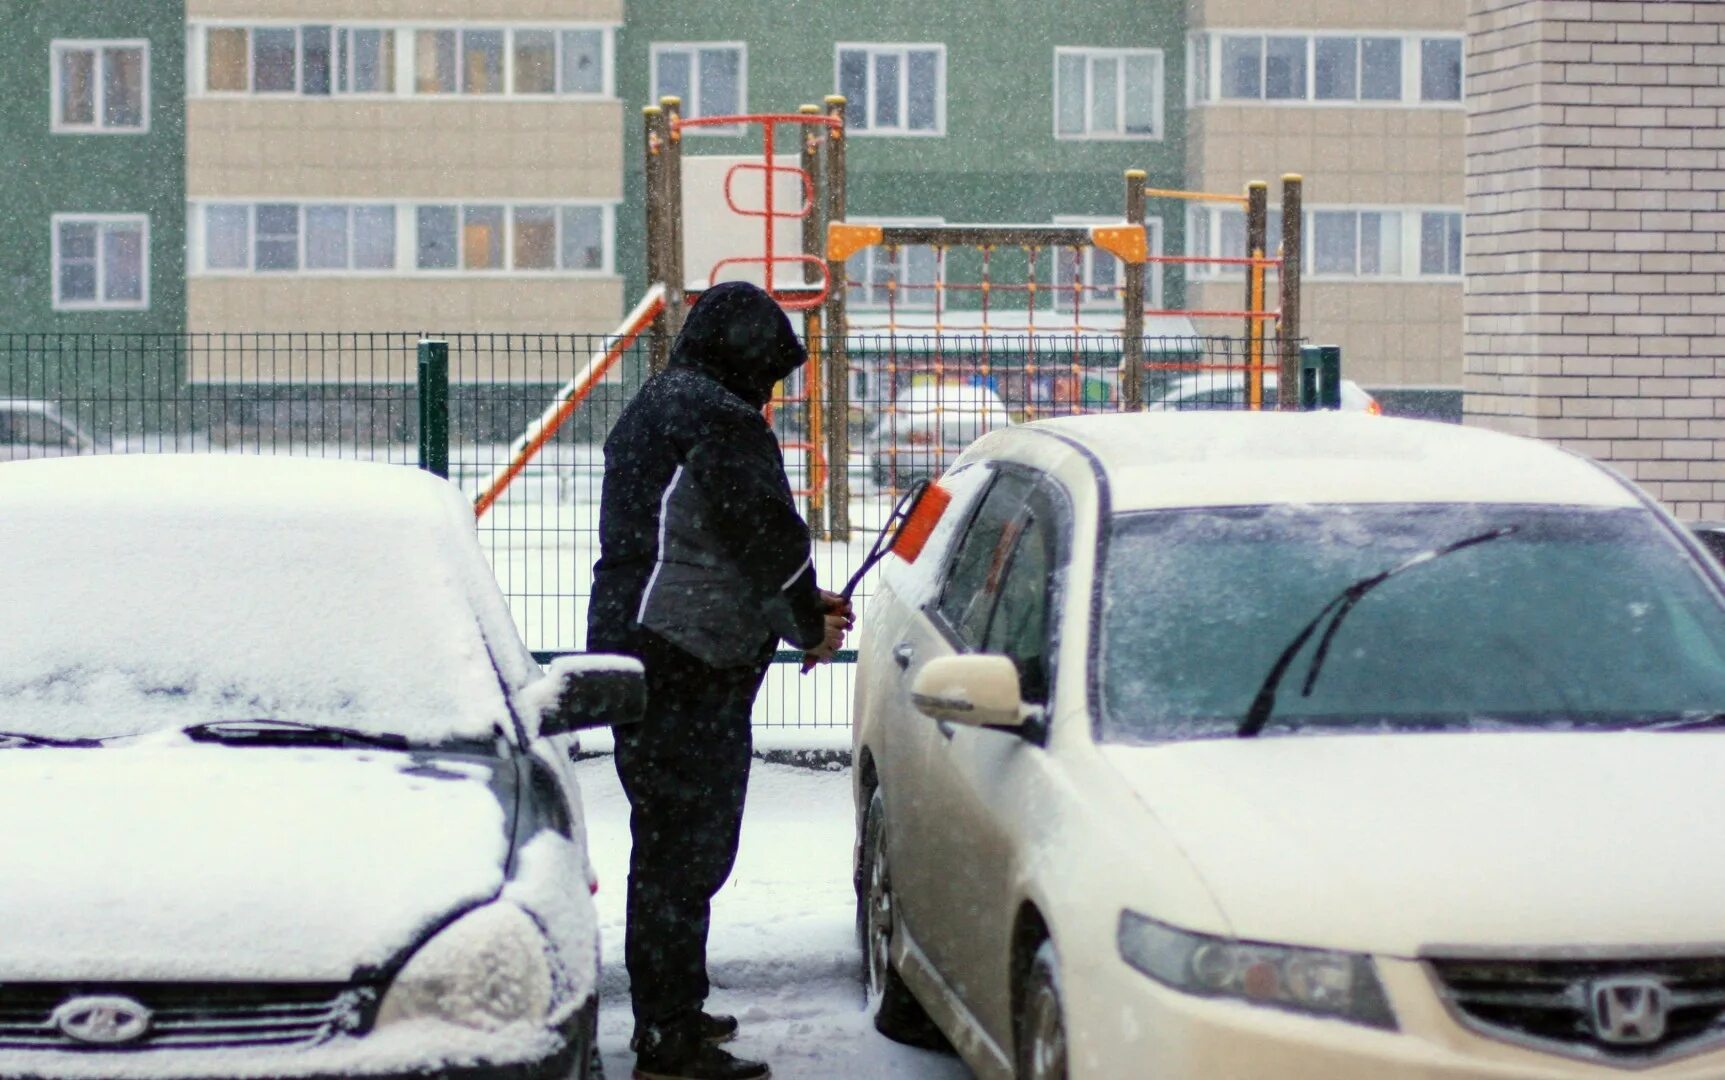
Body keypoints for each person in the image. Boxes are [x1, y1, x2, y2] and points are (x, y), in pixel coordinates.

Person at [588, 281, 851, 1080]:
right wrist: (806, 620)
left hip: (641, 646)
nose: (770, 392)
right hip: (686, 658)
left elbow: (706, 541)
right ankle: (668, 1037)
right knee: (684, 851)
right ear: (743, 357)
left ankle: (675, 1007)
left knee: (667, 842)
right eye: (769, 372)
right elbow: (767, 534)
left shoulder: (659, 403)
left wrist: (798, 606)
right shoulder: (720, 419)